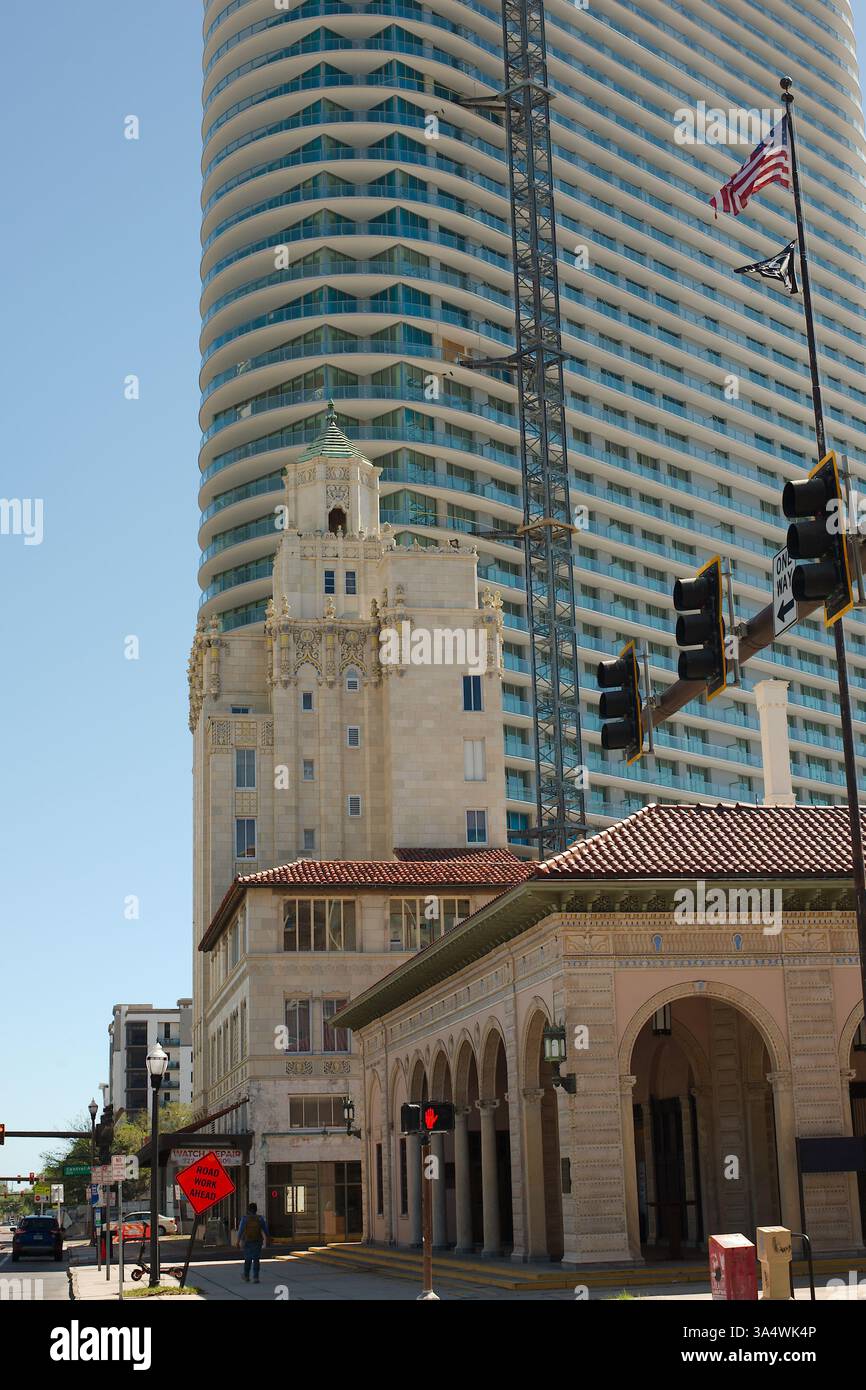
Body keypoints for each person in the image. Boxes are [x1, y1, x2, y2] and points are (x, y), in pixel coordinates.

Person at [237, 1202, 269, 1283]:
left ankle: (246, 1276)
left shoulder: (245, 1218)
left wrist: (238, 1241)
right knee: (256, 1259)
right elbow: (265, 1229)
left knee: (247, 1259)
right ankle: (256, 1277)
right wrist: (268, 1238)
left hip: (247, 1240)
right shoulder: (260, 1218)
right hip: (258, 1241)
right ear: (256, 1210)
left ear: (248, 1210)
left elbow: (240, 1231)